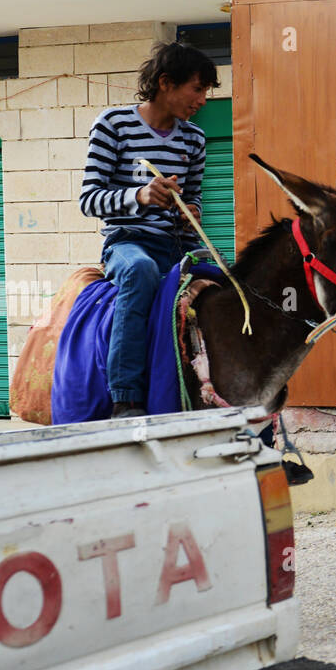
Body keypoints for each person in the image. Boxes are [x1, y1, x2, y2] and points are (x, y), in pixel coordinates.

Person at [78, 41, 219, 418]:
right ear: (165, 83)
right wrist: (139, 195)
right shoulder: (113, 125)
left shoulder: (195, 140)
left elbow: (196, 200)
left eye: (206, 91)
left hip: (177, 246)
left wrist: (191, 212)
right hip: (127, 243)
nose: (203, 99)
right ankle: (125, 397)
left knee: (230, 284)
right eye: (197, 88)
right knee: (140, 272)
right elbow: (89, 200)